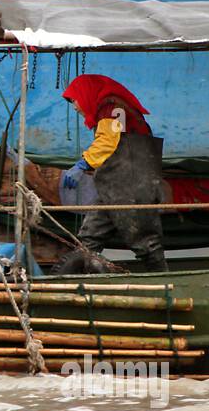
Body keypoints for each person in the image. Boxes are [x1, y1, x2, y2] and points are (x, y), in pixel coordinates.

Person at [57, 74, 167, 272]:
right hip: (113, 187)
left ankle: (164, 280)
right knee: (90, 235)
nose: (75, 107)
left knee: (144, 241)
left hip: (132, 184)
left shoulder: (112, 108)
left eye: (74, 100)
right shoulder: (109, 108)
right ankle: (77, 280)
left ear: (86, 93)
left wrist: (84, 164)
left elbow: (108, 140)